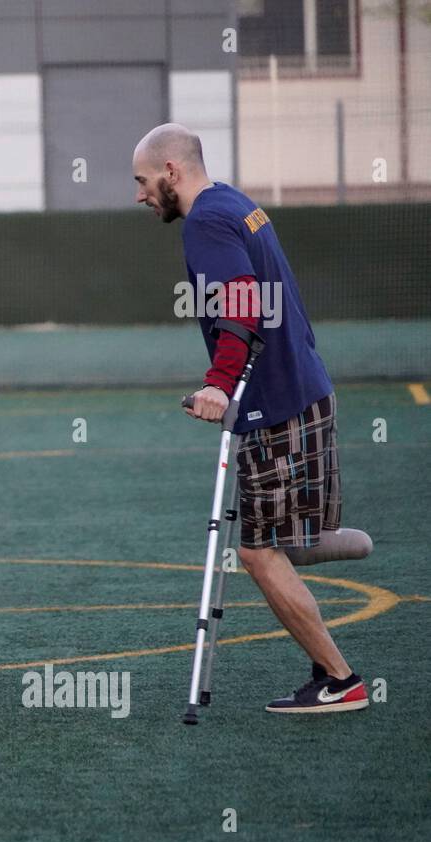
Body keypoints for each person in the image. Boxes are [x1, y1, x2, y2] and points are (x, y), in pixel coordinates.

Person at [132, 123, 369, 714]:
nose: (139, 196)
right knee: (277, 540)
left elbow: (242, 299)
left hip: (274, 404)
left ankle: (339, 680)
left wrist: (218, 385)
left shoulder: (207, 222)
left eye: (142, 181)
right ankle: (335, 544)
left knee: (259, 551)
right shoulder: (235, 202)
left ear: (170, 171)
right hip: (302, 388)